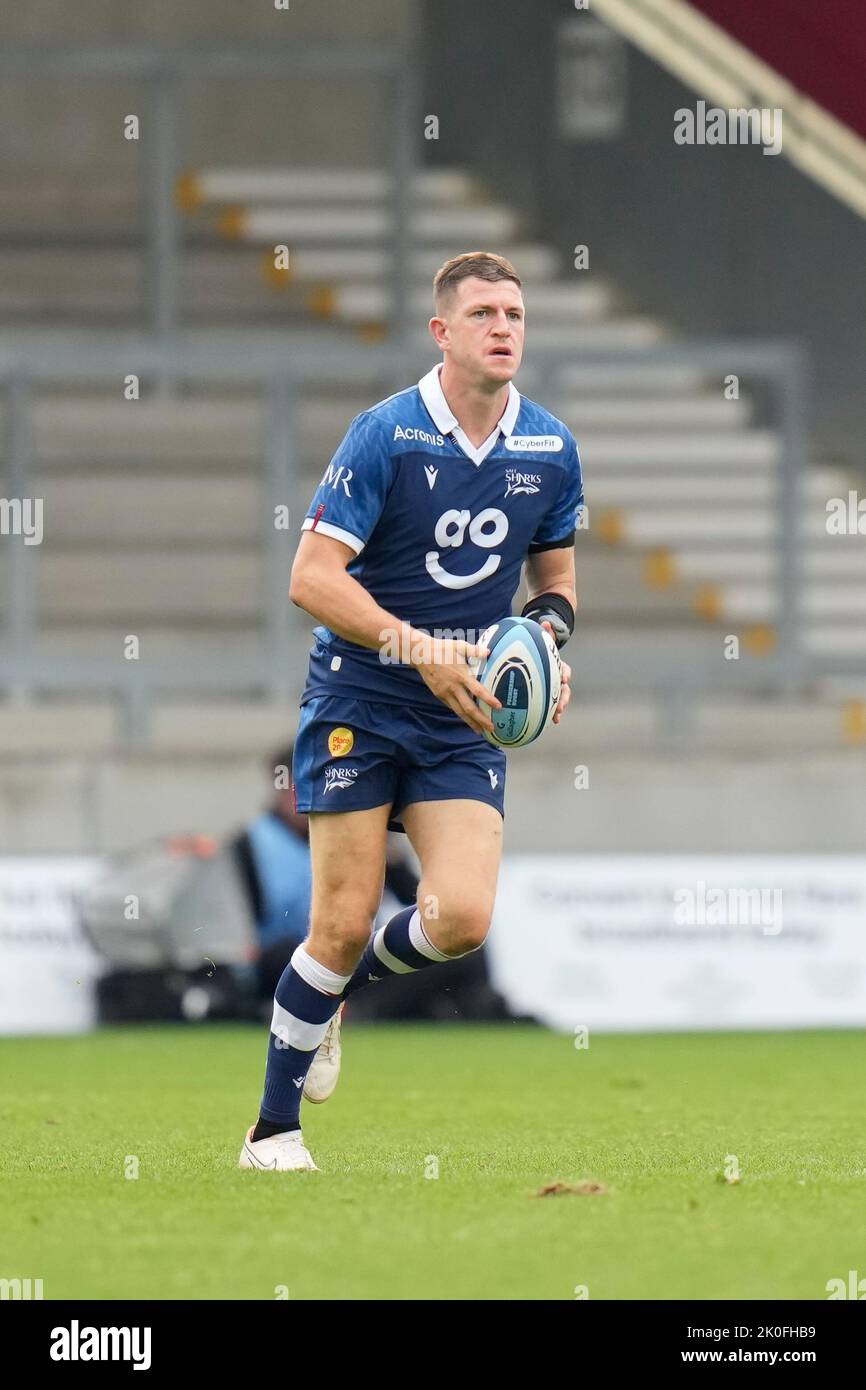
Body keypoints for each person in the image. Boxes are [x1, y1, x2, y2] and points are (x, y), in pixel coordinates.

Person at [239, 251, 582, 1172]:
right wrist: (418, 648)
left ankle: (335, 994)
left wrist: (547, 643)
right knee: (339, 924)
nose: (503, 327)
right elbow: (310, 579)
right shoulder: (385, 435)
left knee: (463, 916)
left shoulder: (549, 447)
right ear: (443, 332)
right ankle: (272, 1131)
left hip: (460, 712)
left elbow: (554, 583)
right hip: (361, 697)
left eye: (514, 312)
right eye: (482, 314)